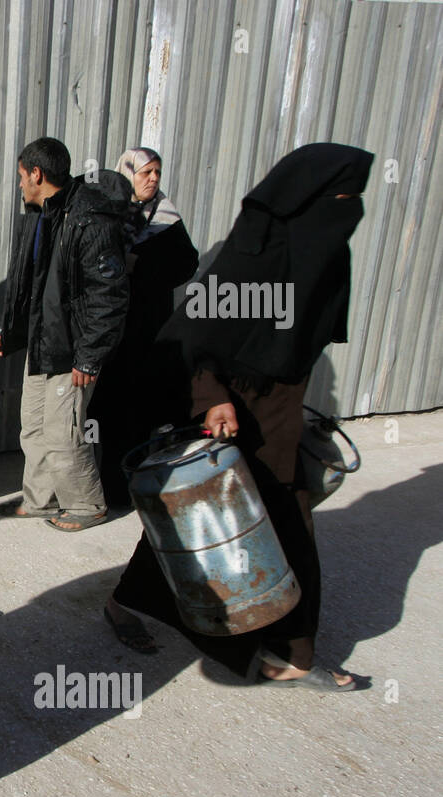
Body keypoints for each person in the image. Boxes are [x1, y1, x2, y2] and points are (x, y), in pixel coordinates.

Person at [104, 143, 373, 690]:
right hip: (228, 409)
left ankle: (294, 649)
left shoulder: (321, 252)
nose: (349, 210)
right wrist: (211, 397)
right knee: (213, 519)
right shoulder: (257, 254)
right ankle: (293, 651)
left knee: (265, 521)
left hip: (281, 412)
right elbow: (195, 335)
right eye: (342, 198)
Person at [0, 136, 129, 531]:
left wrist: (89, 355)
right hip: (41, 340)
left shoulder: (89, 218)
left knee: (62, 430)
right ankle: (41, 501)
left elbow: (109, 295)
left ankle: (86, 505)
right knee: (32, 426)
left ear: (37, 174)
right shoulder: (39, 214)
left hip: (72, 348)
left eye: (21, 176)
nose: (18, 185)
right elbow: (23, 282)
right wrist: (5, 327)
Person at [88, 148, 199, 517]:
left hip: (146, 327)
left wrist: (143, 266)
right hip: (109, 328)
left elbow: (186, 264)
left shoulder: (167, 218)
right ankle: (99, 482)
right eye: (145, 172)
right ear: (128, 174)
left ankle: (125, 488)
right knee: (101, 408)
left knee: (134, 409)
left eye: (156, 172)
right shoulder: (110, 210)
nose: (152, 179)